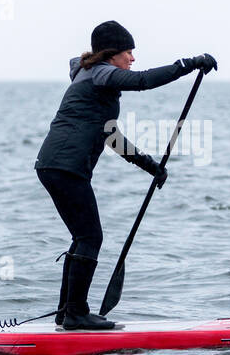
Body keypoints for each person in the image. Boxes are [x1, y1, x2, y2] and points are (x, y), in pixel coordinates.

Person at [35, 20, 217, 330]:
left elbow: (111, 136)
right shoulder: (101, 73)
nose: (132, 59)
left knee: (83, 237)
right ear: (111, 54)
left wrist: (150, 167)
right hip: (66, 166)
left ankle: (67, 312)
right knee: (90, 236)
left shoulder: (93, 78)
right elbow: (144, 81)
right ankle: (76, 314)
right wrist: (187, 65)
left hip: (54, 165)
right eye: (128, 52)